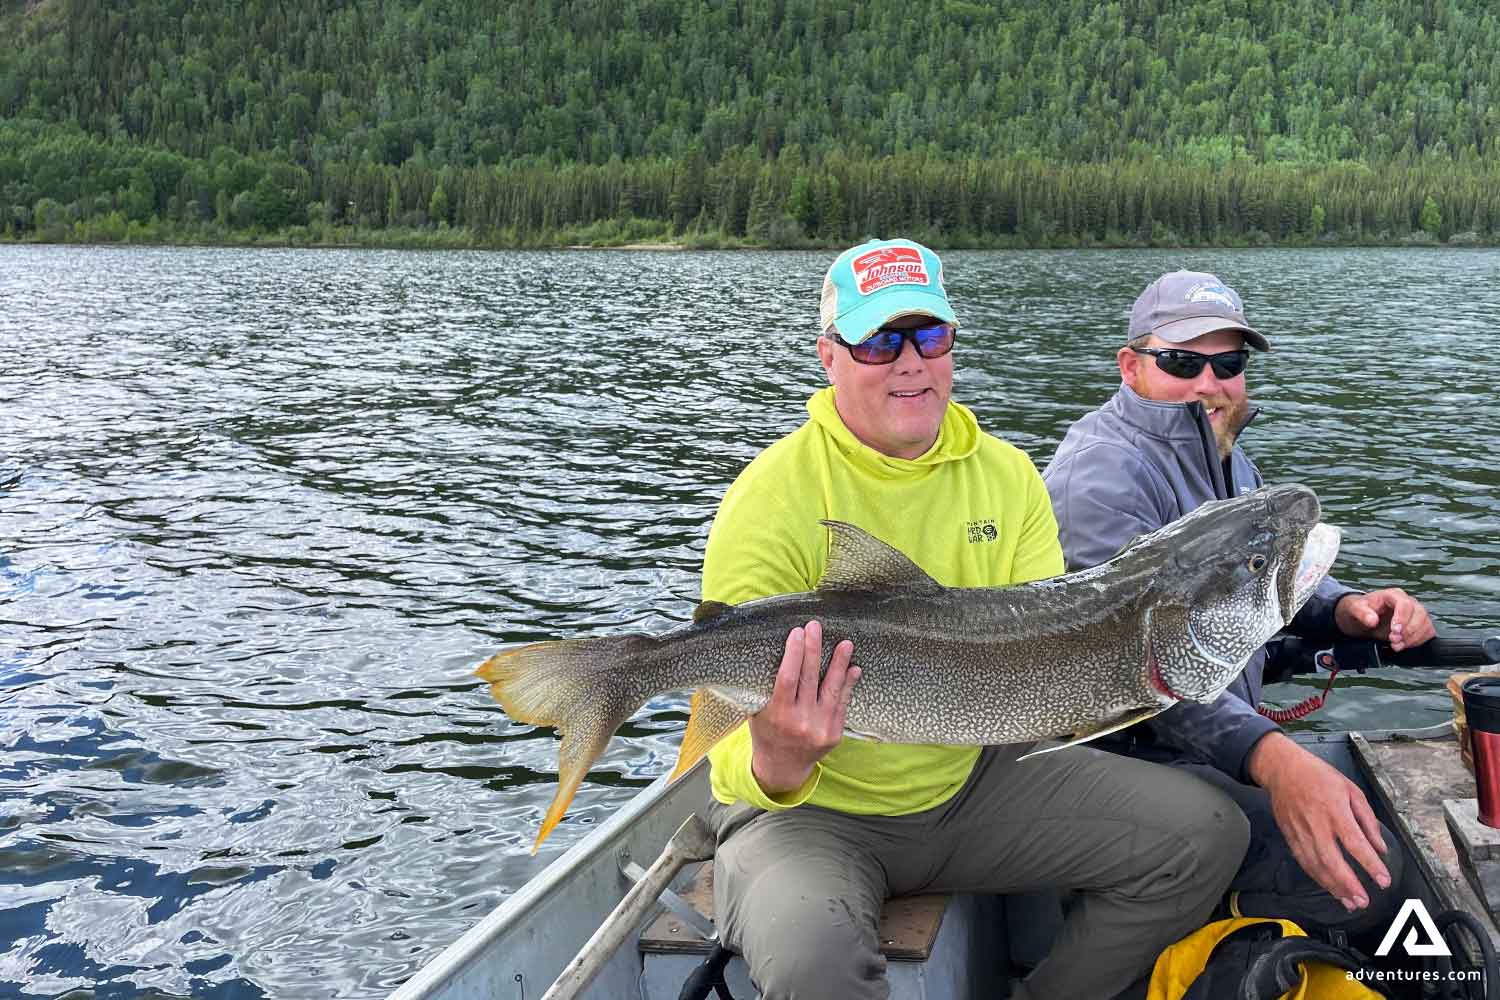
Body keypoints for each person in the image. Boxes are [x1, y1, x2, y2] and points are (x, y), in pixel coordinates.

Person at [700, 241, 1250, 1000]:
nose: (910, 363)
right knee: (811, 962)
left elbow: (1051, 650)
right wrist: (779, 760)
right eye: (880, 340)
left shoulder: (1008, 476)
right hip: (811, 815)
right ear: (830, 356)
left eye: (930, 336)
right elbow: (725, 756)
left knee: (1207, 834)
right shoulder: (769, 498)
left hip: (972, 780)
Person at [1043, 269, 1436, 937]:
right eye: (1180, 361)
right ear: (1131, 366)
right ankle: (1185, 933)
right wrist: (1271, 755)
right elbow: (1134, 670)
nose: (1208, 382)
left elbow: (1269, 577)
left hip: (1214, 744)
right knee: (1370, 879)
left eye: (1228, 363)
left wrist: (1347, 608)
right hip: (1133, 760)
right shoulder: (1102, 475)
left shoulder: (1224, 455)